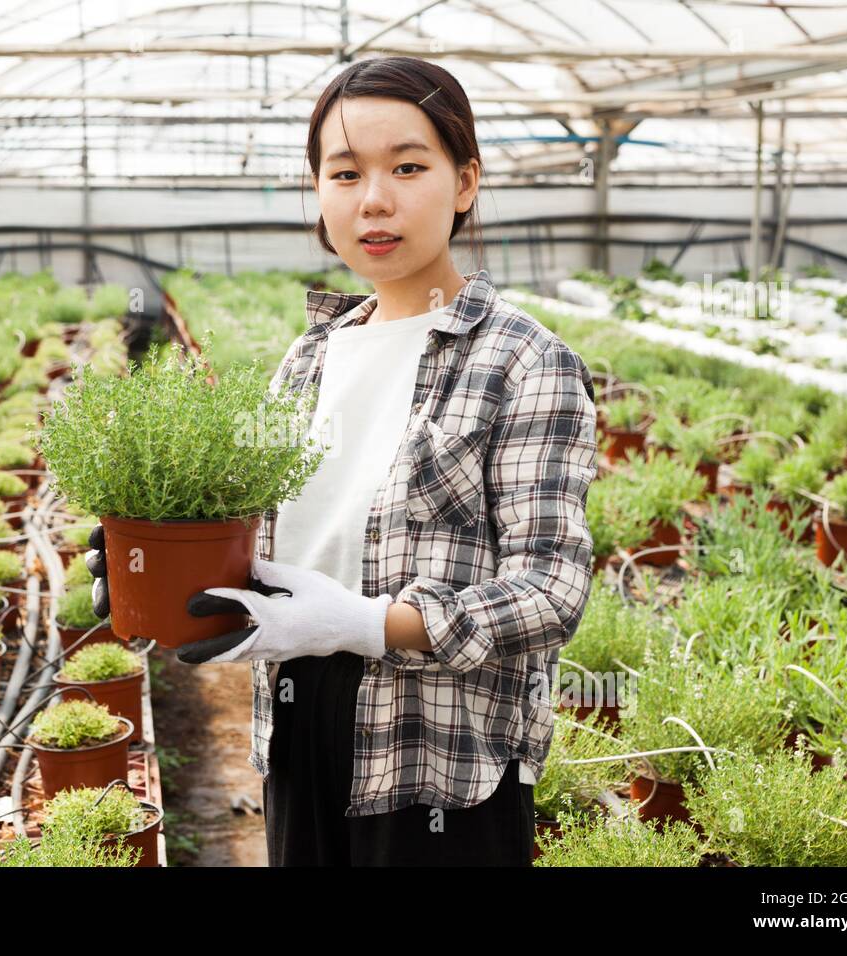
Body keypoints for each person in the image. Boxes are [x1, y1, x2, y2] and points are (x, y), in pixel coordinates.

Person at [86, 55, 598, 867]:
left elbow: (552, 592)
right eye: (344, 172)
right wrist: (162, 569)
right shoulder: (310, 357)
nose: (374, 199)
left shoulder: (523, 362)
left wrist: (363, 624)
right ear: (318, 191)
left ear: (465, 182)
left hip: (435, 758)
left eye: (407, 166)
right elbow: (285, 546)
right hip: (295, 728)